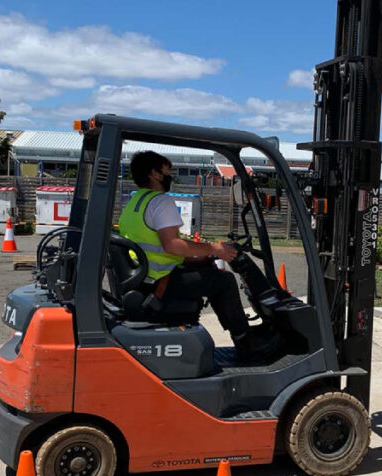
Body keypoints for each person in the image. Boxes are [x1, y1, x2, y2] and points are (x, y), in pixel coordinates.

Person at [119, 151, 278, 361]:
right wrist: (214, 249)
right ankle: (246, 342)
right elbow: (173, 245)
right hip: (160, 283)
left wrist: (204, 254)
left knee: (208, 269)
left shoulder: (135, 202)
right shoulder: (161, 202)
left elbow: (158, 246)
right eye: (168, 172)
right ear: (155, 174)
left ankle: (242, 336)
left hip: (147, 278)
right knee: (225, 281)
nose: (171, 176)